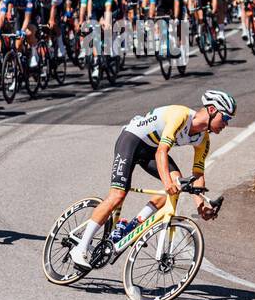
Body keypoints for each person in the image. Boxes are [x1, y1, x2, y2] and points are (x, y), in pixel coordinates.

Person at [69, 90, 236, 269]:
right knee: (118, 195)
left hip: (150, 149)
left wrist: (201, 206)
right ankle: (81, 247)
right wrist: (167, 184)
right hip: (132, 140)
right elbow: (161, 152)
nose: (226, 124)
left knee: (177, 185)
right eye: (225, 118)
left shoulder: (203, 139)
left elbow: (198, 175)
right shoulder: (181, 115)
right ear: (212, 110)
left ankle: (133, 225)